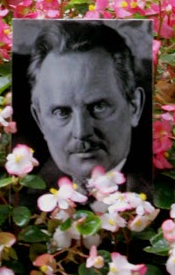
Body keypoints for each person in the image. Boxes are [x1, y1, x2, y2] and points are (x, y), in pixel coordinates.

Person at [27, 21, 147, 189]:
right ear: (40, 121)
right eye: (62, 112)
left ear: (134, 107)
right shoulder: (21, 199)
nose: (81, 132)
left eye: (98, 107)